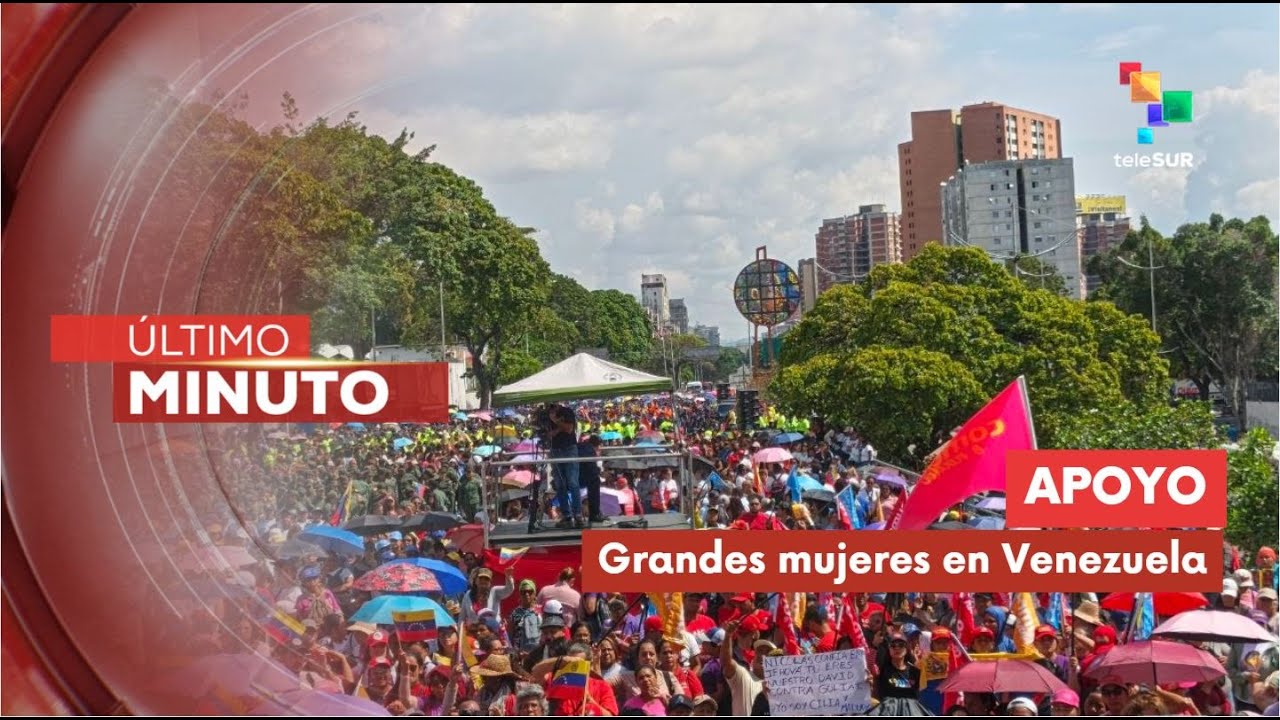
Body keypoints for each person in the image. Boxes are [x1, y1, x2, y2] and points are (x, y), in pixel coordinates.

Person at [579, 434, 608, 525]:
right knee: (595, 481)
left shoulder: (584, 447)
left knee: (595, 480)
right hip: (579, 478)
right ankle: (595, 514)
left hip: (577, 475)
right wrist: (599, 472)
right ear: (597, 444)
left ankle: (595, 513)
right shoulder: (589, 450)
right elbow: (591, 469)